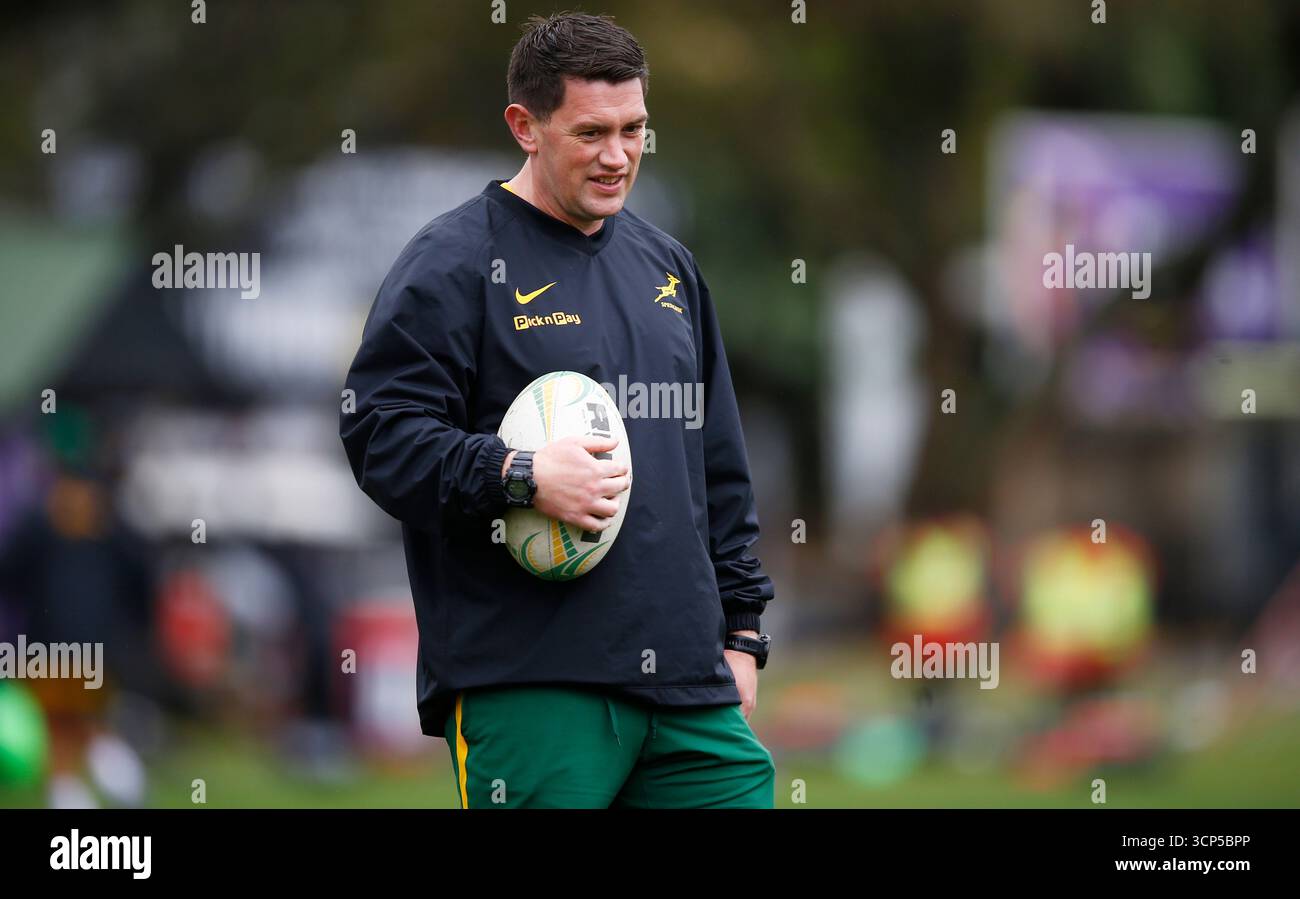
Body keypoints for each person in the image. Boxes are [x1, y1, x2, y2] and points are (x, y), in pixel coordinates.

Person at [340, 12, 775, 808]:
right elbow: (381, 435)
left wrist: (743, 629)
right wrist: (519, 473)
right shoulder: (452, 264)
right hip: (533, 680)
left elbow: (716, 462)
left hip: (690, 686)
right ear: (525, 126)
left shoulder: (668, 266)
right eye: (592, 132)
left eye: (635, 129)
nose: (619, 156)